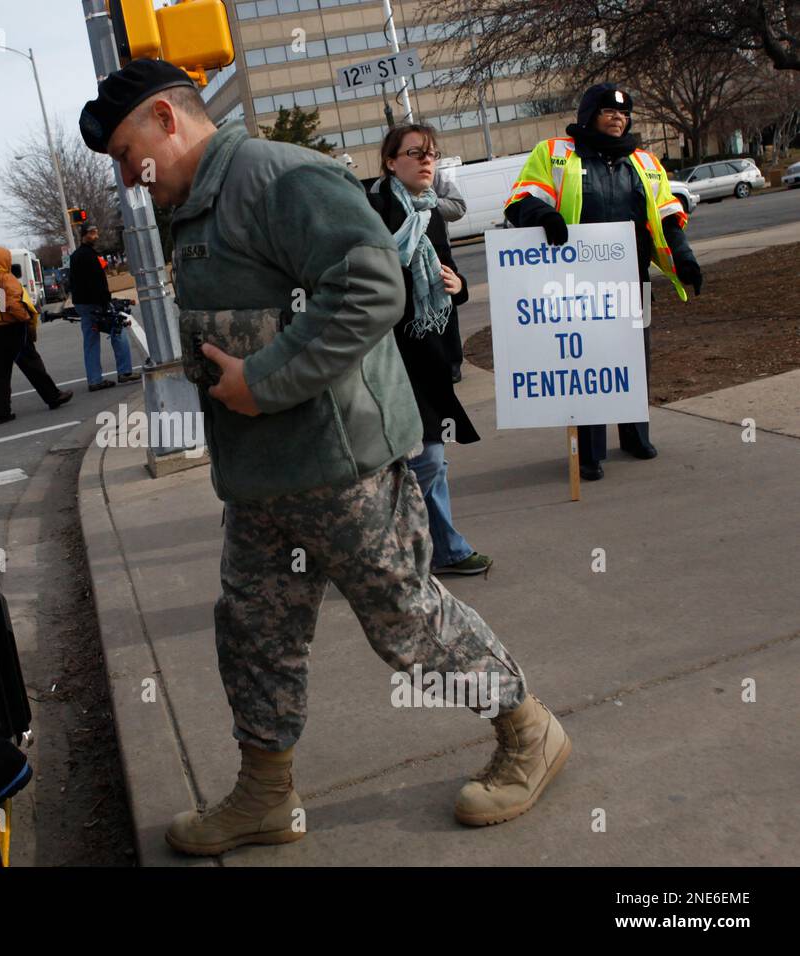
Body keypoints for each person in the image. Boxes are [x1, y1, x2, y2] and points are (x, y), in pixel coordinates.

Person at [80, 60, 570, 857]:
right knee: (254, 633)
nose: (129, 177)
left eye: (130, 151)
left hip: (341, 468)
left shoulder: (280, 178)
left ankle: (528, 731)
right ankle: (266, 795)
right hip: (261, 479)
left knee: (407, 623)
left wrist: (264, 379)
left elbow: (374, 289)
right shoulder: (192, 204)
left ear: (169, 120)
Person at [504, 83, 703, 480]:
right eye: (610, 111)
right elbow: (521, 198)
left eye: (625, 113)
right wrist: (543, 216)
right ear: (589, 113)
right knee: (588, 362)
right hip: (577, 282)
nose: (619, 118)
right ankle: (589, 450)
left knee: (634, 357)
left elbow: (666, 212)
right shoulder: (554, 154)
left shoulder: (644, 161)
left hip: (632, 275)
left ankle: (634, 435)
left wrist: (683, 254)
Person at [366, 125, 492, 577]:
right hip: (387, 356)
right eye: (415, 153)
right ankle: (443, 550)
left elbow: (450, 276)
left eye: (432, 154)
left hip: (433, 352)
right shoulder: (372, 210)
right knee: (426, 457)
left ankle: (425, 550)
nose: (426, 161)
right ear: (390, 161)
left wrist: (458, 288)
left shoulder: (431, 211)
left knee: (423, 458)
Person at [0, 245, 72, 424]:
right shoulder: (6, 278)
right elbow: (13, 304)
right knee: (33, 365)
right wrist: (25, 318)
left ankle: (1, 412)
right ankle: (53, 397)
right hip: (13, 329)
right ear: (4, 259)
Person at [68, 223, 138, 391]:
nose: (96, 236)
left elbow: (75, 282)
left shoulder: (76, 255)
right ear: (84, 235)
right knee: (118, 330)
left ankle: (94, 380)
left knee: (90, 342)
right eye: (92, 233)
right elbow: (95, 282)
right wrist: (106, 301)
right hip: (95, 303)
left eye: (96, 232)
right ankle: (125, 372)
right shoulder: (89, 256)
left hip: (82, 303)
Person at [433, 166, 467, 383]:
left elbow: (458, 207)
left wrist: (429, 202)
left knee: (447, 307)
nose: (423, 159)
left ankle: (453, 362)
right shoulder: (382, 188)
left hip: (439, 253)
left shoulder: (435, 178)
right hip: (404, 259)